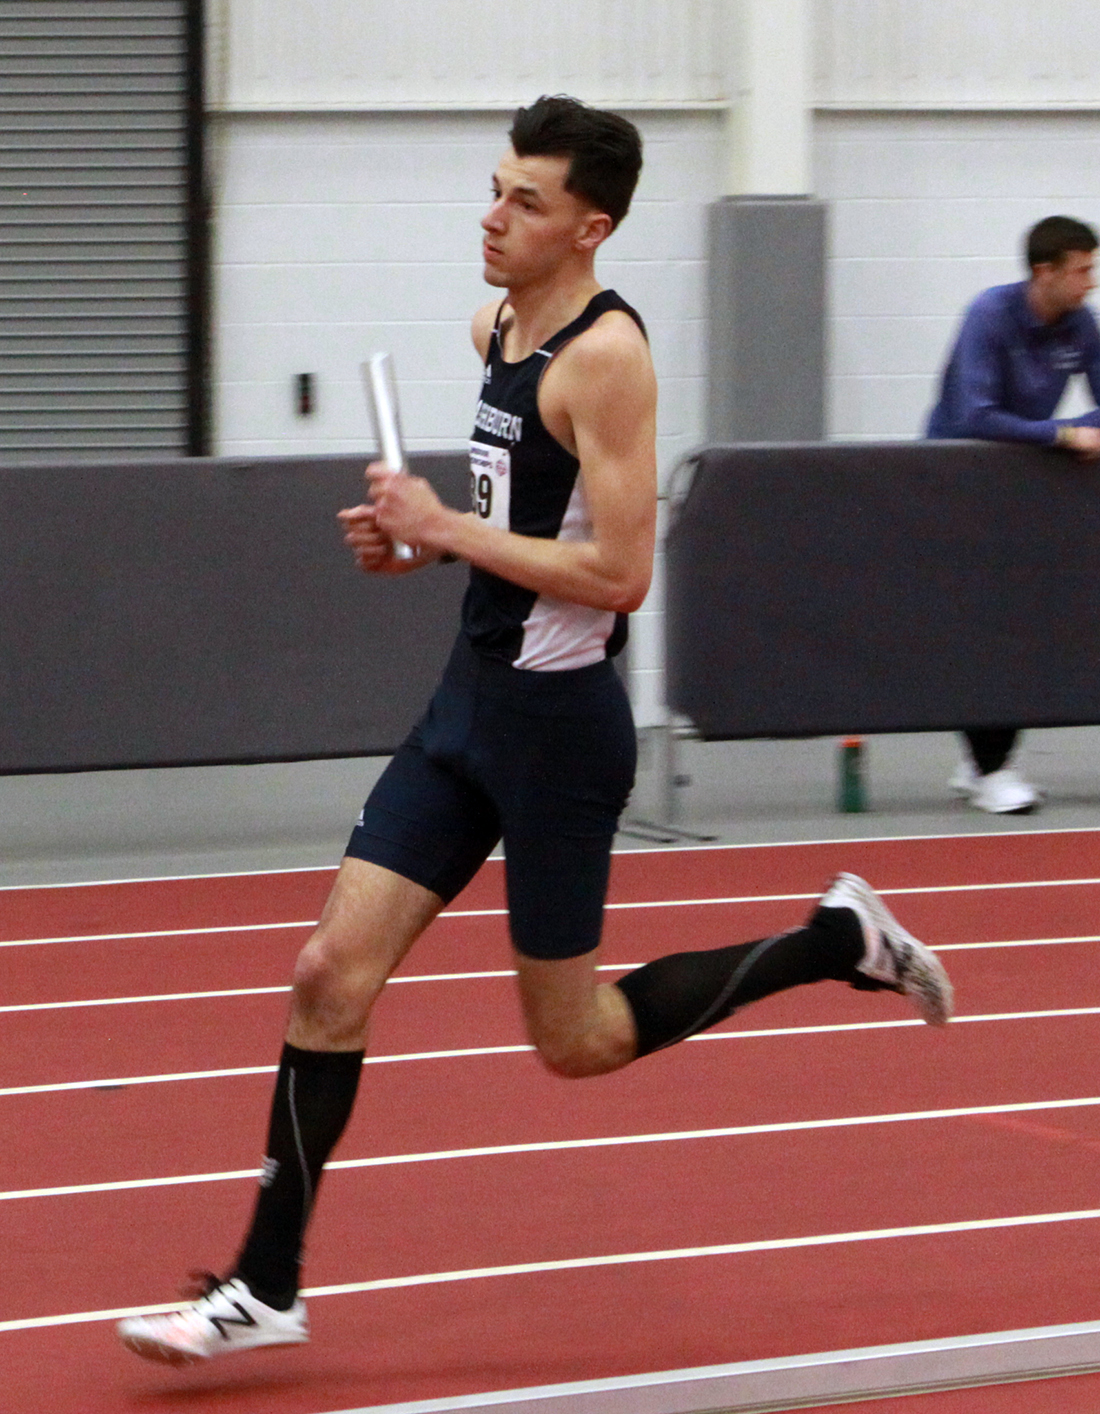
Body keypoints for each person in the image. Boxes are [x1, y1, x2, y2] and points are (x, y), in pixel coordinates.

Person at [118, 95, 953, 1367]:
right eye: (495, 187)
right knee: (324, 977)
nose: (492, 216)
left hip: (559, 737)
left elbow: (620, 576)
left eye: (525, 201)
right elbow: (523, 520)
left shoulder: (607, 360)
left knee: (577, 1044)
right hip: (465, 706)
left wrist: (444, 526)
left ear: (591, 227)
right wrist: (415, 548)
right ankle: (263, 1284)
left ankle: (833, 937)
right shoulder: (499, 321)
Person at [926, 214, 1100, 815]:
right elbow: (976, 416)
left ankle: (979, 763)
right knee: (987, 627)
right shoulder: (988, 316)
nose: (1090, 283)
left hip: (1024, 487)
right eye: (1081, 271)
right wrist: (1064, 433)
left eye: (1092, 269)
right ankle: (990, 771)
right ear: (1042, 272)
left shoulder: (1081, 324)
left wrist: (1076, 434)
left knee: (1028, 620)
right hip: (959, 489)